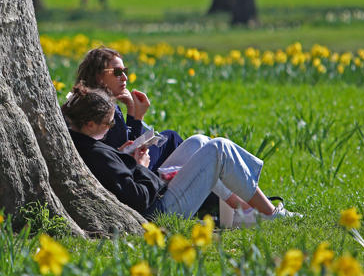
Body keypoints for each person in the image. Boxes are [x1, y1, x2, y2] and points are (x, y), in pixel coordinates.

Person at [74, 46, 289, 217]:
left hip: (150, 193)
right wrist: (140, 161)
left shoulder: (96, 125)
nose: (125, 78)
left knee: (199, 142)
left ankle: (244, 210)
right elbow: (130, 181)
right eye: (118, 72)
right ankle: (268, 213)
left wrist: (133, 117)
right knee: (219, 148)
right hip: (155, 209)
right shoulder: (96, 134)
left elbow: (123, 160)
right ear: (99, 77)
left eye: (125, 71)